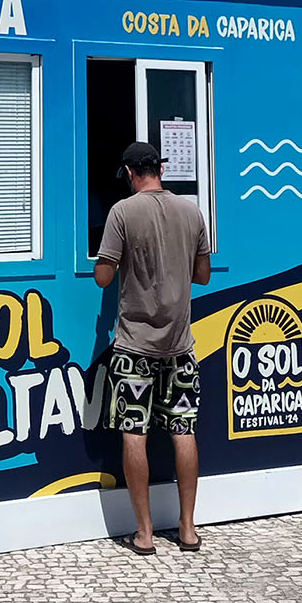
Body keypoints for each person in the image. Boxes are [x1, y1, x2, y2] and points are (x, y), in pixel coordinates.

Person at [94, 141, 212, 555]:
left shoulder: (122, 213)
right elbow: (203, 276)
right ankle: (187, 529)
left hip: (135, 349)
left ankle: (144, 534)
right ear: (160, 168)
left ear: (129, 173)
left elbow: (103, 278)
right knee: (184, 432)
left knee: (133, 434)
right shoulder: (192, 212)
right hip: (180, 347)